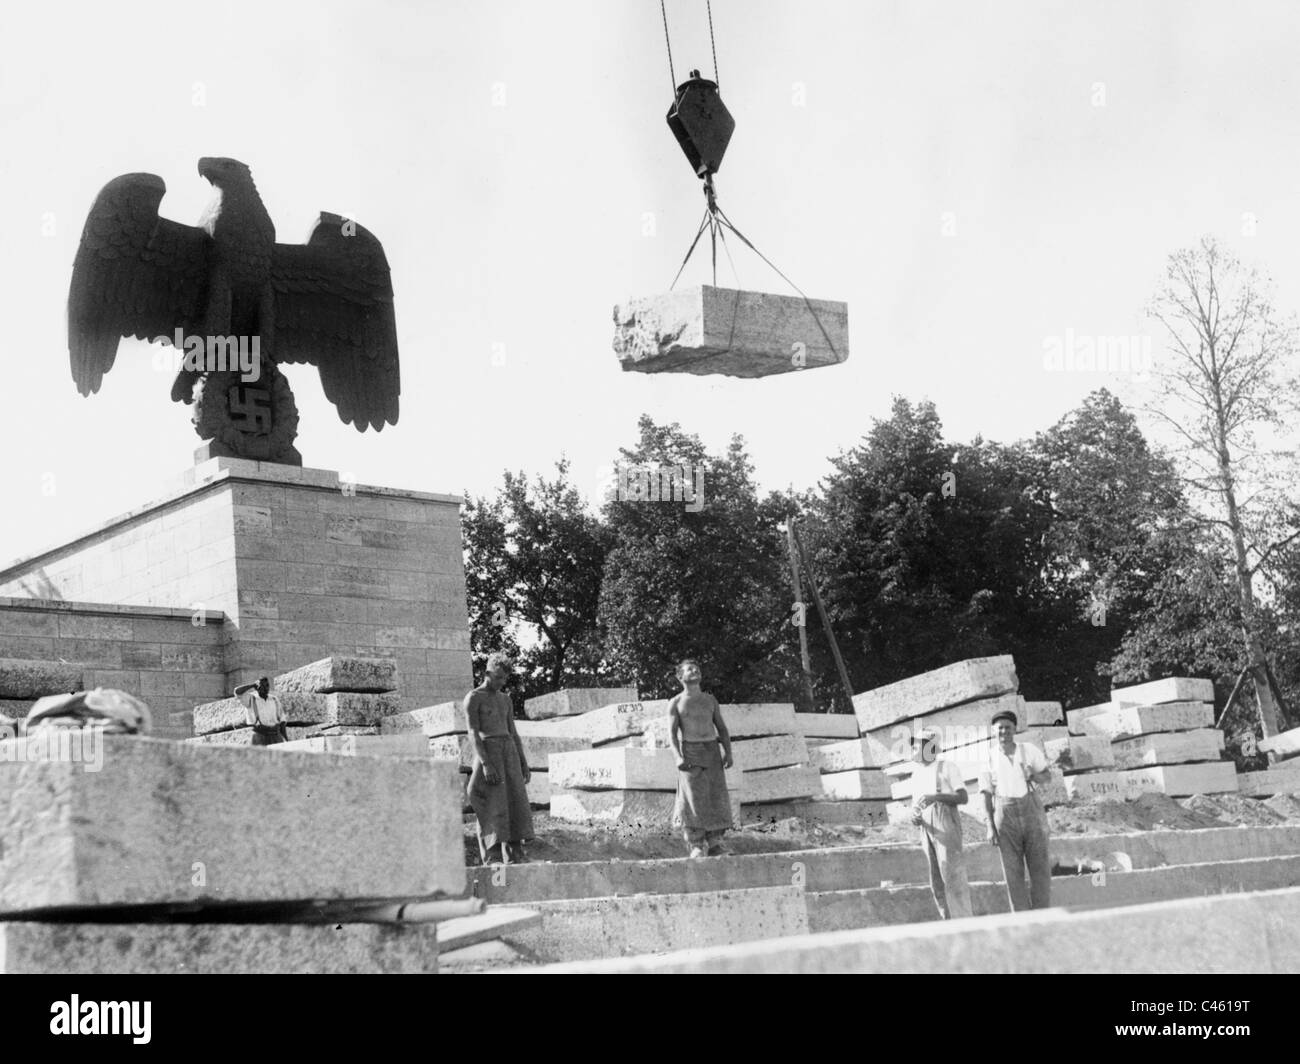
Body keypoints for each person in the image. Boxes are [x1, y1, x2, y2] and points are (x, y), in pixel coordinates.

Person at [978, 708, 1053, 910]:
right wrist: (990, 826)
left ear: (1015, 729)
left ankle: (1042, 914)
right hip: (1004, 814)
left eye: (1008, 728)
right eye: (1000, 728)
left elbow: (1047, 776)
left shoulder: (1028, 750)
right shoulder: (988, 757)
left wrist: (1033, 776)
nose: (1004, 732)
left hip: (1031, 812)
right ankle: (1022, 918)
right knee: (1012, 872)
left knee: (1040, 868)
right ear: (994, 731)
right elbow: (986, 794)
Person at [465, 653, 533, 865]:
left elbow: (513, 732)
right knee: (490, 803)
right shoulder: (473, 698)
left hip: (509, 751)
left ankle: (516, 856)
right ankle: (493, 858)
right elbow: (473, 733)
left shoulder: (505, 699)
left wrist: (523, 761)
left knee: (515, 802)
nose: (502, 682)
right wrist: (485, 763)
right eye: (498, 677)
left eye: (505, 678)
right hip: (488, 751)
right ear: (487, 673)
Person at [668, 659, 734, 858]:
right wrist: (678, 757)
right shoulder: (676, 702)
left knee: (715, 796)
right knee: (692, 799)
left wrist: (728, 752)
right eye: (689, 669)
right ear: (680, 677)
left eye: (697, 668)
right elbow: (671, 735)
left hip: (712, 751)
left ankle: (715, 844)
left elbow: (721, 728)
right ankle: (696, 845)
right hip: (691, 754)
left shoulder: (710, 700)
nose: (695, 670)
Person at [909, 725, 973, 920]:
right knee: (936, 880)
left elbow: (962, 797)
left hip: (944, 821)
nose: (913, 750)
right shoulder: (916, 774)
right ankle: (948, 923)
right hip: (926, 827)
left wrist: (935, 797)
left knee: (953, 877)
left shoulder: (947, 767)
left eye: (917, 746)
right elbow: (915, 804)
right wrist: (914, 816)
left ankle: (965, 923)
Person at [233, 676, 287, 745]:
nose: (265, 688)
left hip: (275, 734)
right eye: (262, 686)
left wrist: (285, 738)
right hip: (260, 735)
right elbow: (237, 692)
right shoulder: (251, 698)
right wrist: (252, 685)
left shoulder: (274, 699)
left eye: (267, 685)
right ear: (257, 687)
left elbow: (282, 721)